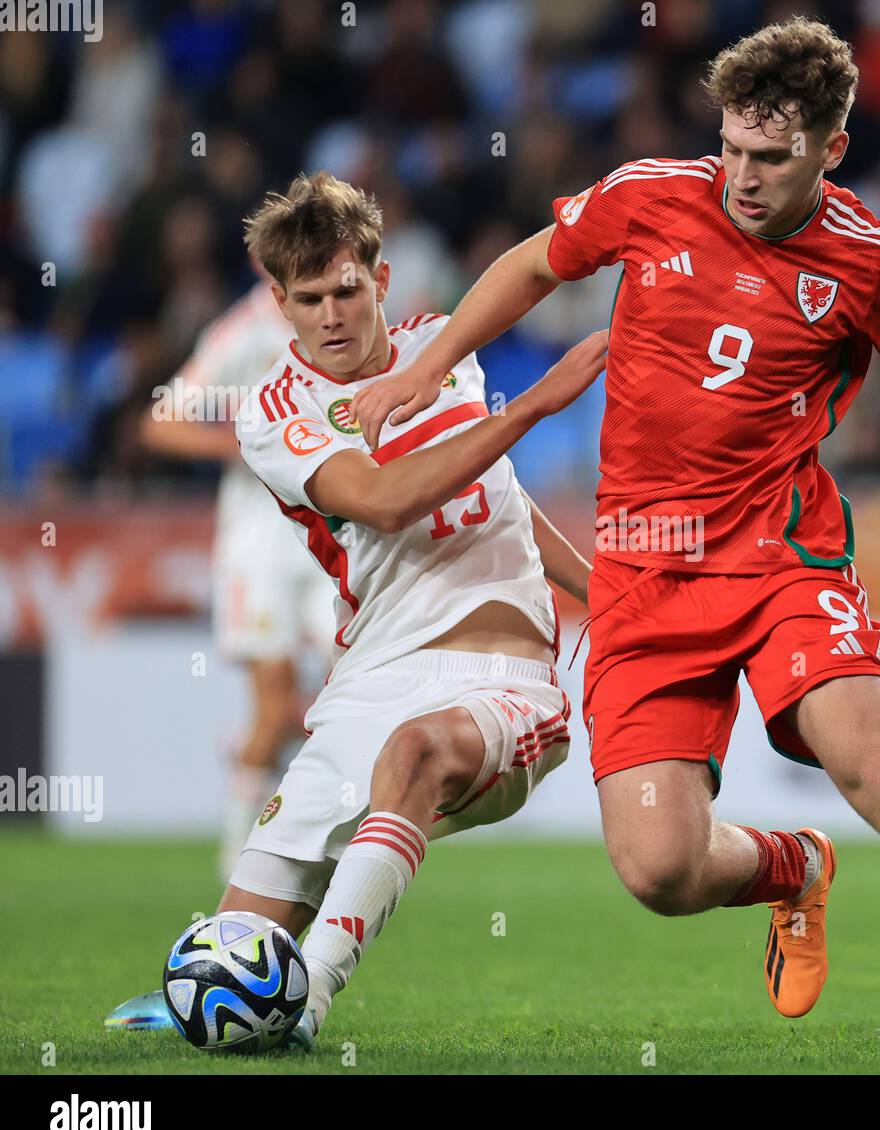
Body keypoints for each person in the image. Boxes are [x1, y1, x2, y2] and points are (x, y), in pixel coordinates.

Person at [349, 18, 880, 1059]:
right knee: (658, 870)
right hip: (641, 579)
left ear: (829, 151)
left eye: (772, 157)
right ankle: (794, 868)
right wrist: (418, 372)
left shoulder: (868, 261)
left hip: (779, 557)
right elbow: (532, 265)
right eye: (732, 149)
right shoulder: (647, 194)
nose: (742, 177)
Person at [106, 171, 606, 1048]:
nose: (332, 314)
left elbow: (503, 496)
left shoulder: (444, 349)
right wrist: (533, 405)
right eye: (309, 299)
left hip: (501, 674)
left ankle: (313, 1000)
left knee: (415, 752)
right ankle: (217, 998)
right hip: (369, 676)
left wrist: (600, 596)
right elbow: (382, 501)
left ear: (379, 280)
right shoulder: (274, 411)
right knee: (236, 953)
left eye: (346, 289)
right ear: (280, 303)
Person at [139, 268, 337, 881]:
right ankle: (240, 865)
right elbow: (160, 422)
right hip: (261, 548)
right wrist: (247, 446)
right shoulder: (243, 332)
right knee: (276, 709)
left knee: (346, 699)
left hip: (334, 536)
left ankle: (302, 831)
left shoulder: (342, 323)